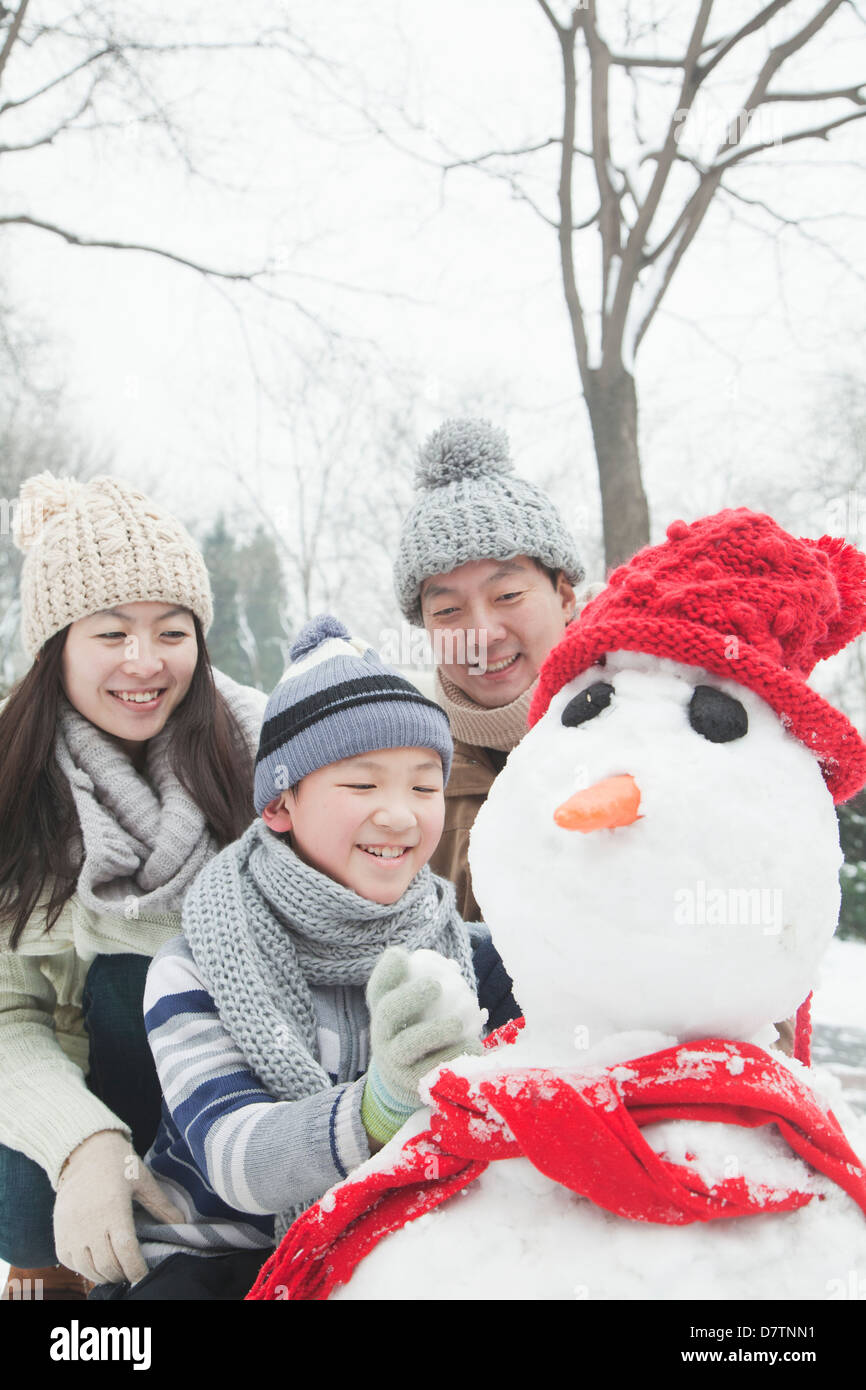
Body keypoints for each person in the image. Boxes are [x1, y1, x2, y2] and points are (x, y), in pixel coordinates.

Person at [88, 614, 518, 1301]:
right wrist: (380, 1106)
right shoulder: (196, 965)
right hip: (213, 1258)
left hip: (383, 1246)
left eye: (422, 785)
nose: (402, 815)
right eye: (362, 784)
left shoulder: (470, 957)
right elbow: (235, 1159)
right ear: (282, 803)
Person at [0, 472, 267, 1301]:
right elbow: (8, 1014)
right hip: (94, 1077)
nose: (144, 663)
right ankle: (53, 1257)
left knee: (156, 962)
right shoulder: (18, 785)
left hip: (245, 1068)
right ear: (57, 647)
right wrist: (81, 1144)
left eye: (171, 631)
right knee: (117, 977)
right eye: (111, 633)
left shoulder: (264, 746)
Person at [393, 418, 588, 920]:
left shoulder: (653, 721)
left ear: (564, 596)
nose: (481, 633)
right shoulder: (408, 786)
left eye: (507, 595)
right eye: (448, 611)